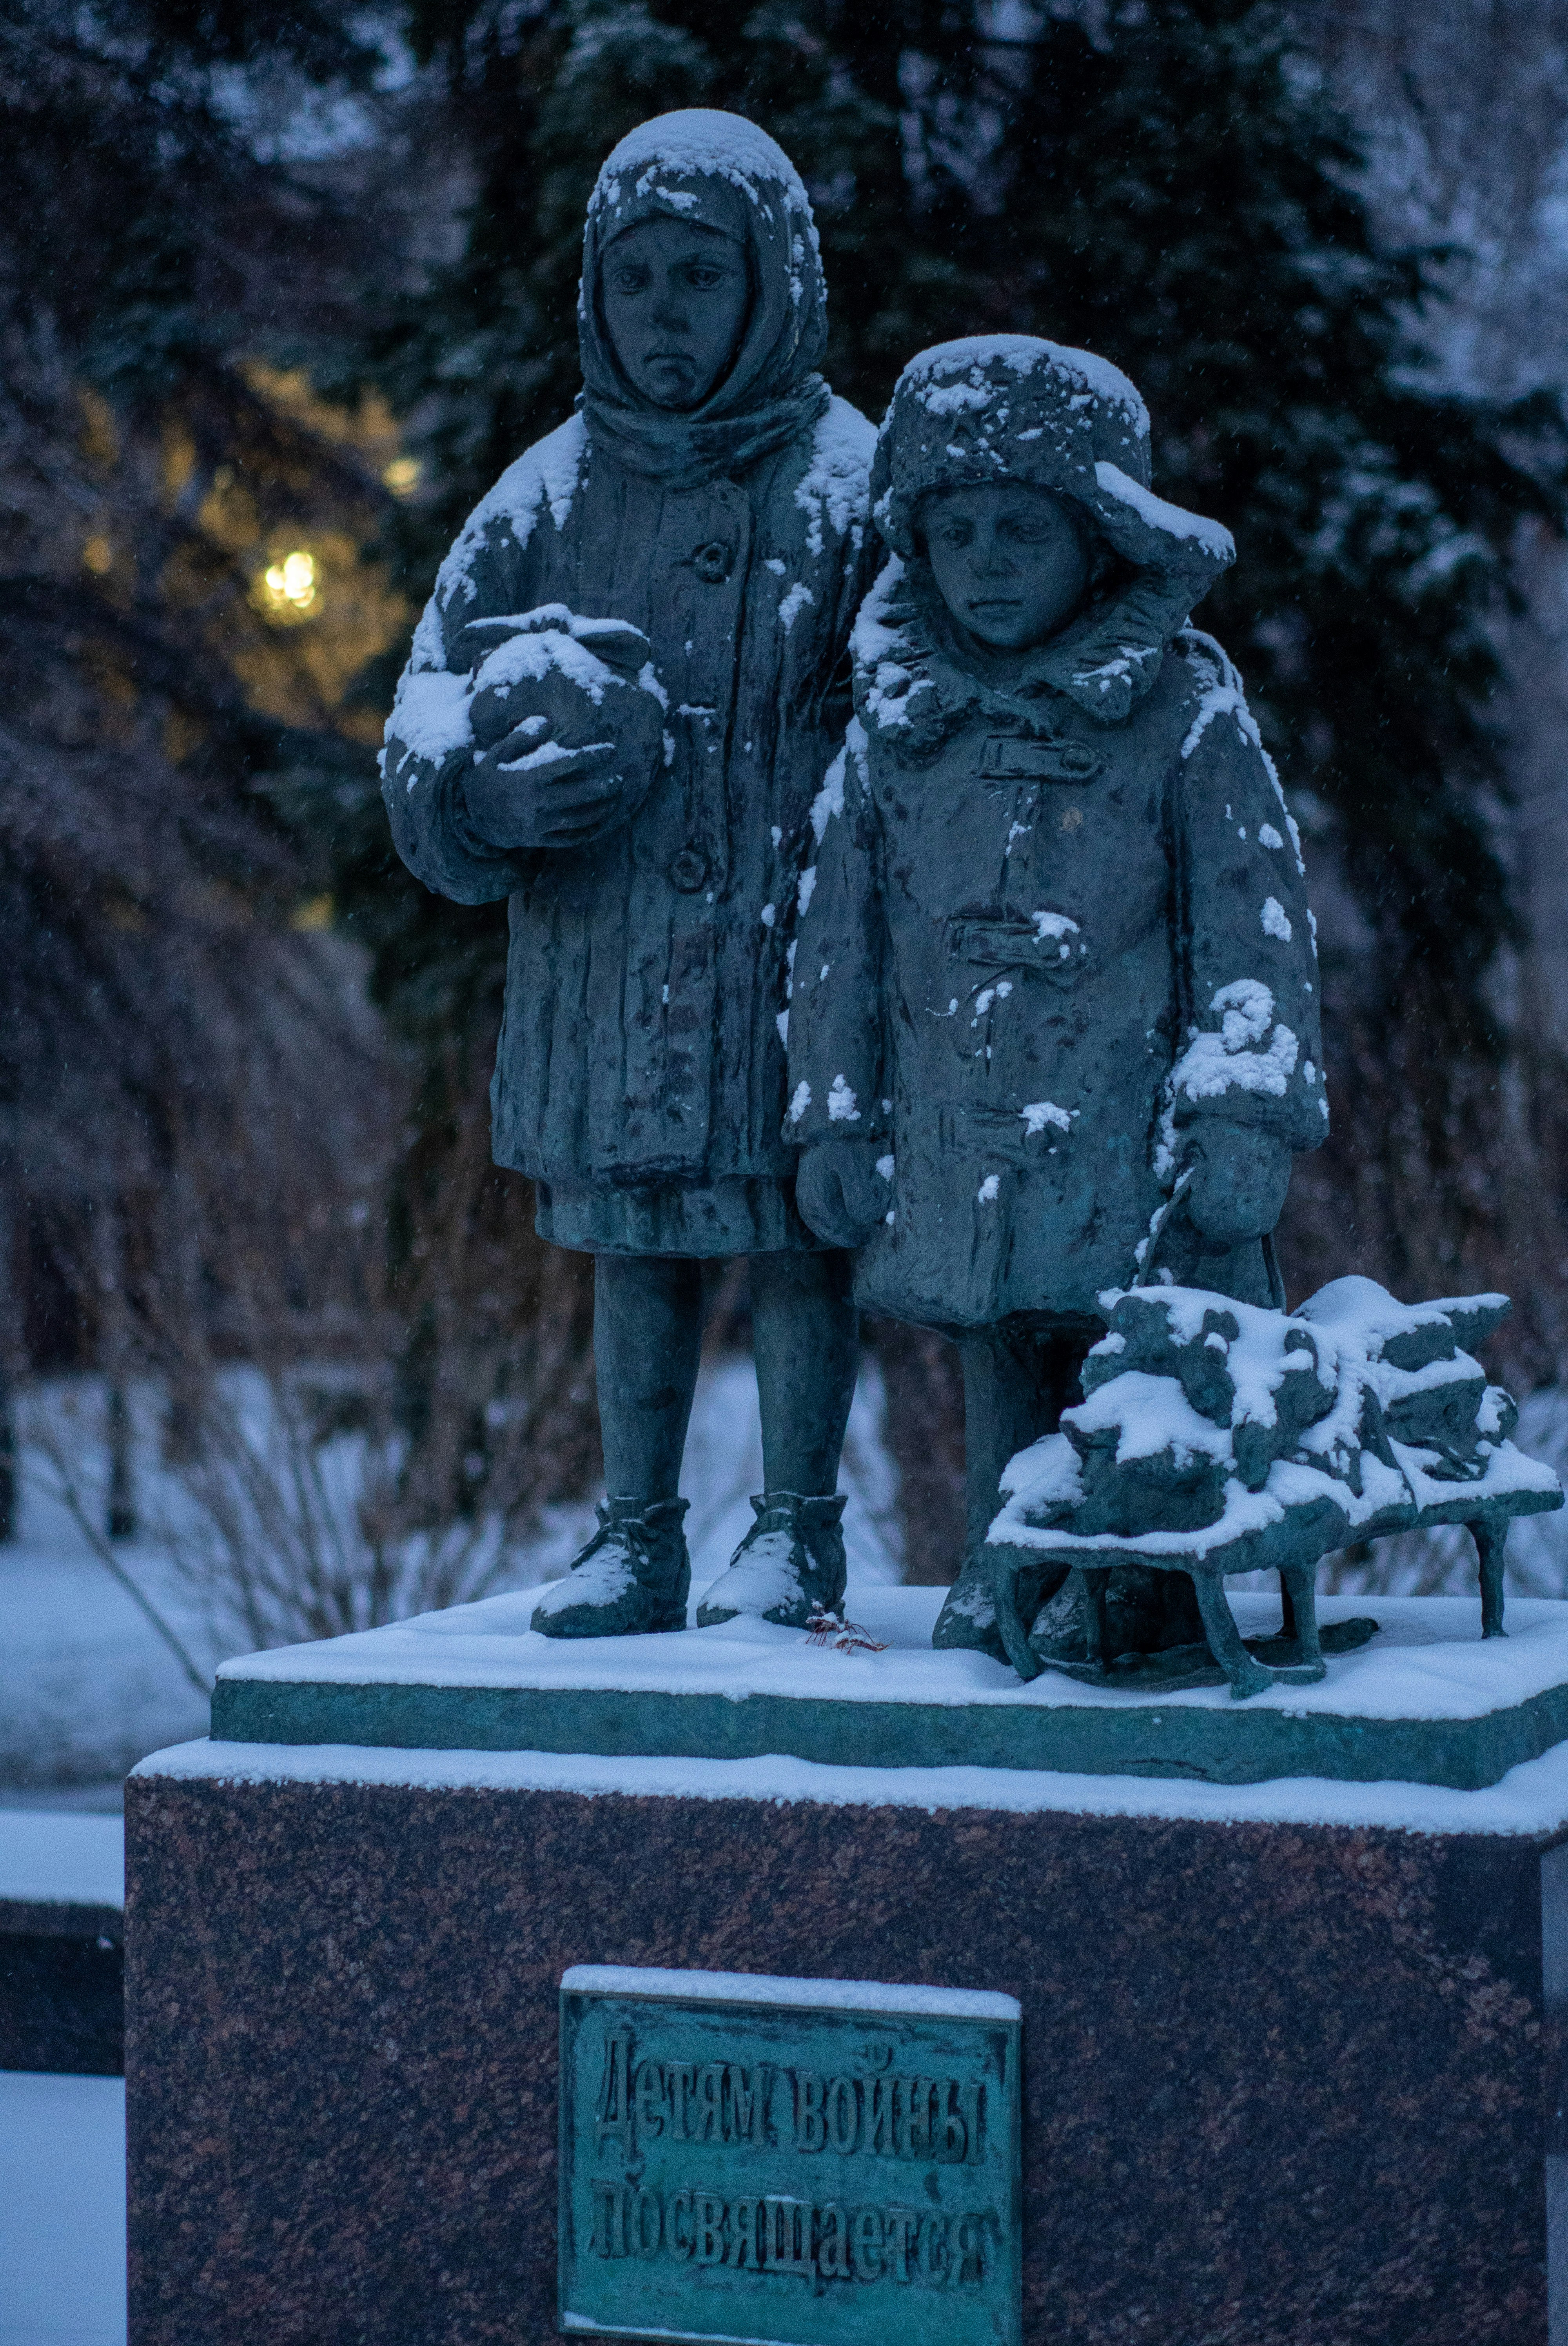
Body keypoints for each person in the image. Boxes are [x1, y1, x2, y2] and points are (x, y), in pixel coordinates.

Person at [381, 112, 879, 1638]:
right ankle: (635, 1534)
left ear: (772, 286)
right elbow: (422, 706)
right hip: (607, 959)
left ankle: (798, 1530)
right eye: (638, 277)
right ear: (594, 293)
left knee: (798, 1242)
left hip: (790, 956)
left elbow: (919, 711)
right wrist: (476, 790)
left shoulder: (852, 486)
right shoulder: (545, 496)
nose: (665, 313)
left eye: (700, 278)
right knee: (632, 1248)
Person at [783, 334, 1328, 1654]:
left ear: (1101, 537)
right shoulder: (898, 725)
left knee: (1126, 1346)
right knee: (994, 1338)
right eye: (956, 530)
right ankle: (1002, 1554)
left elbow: (1254, 927)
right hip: (959, 1113)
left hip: (1125, 1125)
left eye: (1023, 526)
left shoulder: (1182, 710)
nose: (987, 561)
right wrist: (835, 1115)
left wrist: (1245, 1114)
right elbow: (836, 931)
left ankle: (1134, 1564)